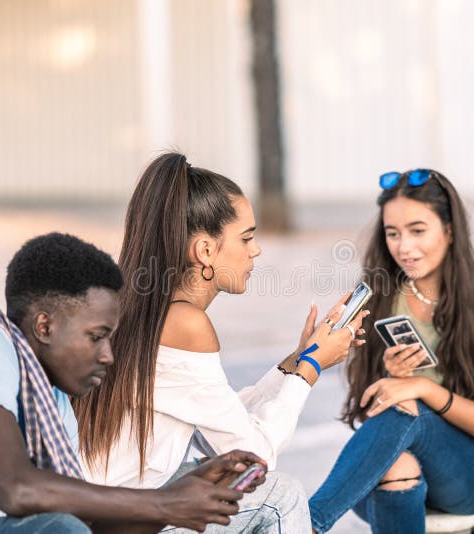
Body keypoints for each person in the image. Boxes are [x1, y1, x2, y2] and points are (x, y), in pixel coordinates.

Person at [0, 232, 266, 533]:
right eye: (96, 336)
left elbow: (89, 528)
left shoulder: (52, 406)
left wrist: (182, 497)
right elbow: (16, 489)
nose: (107, 355)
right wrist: (163, 505)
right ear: (45, 326)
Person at [73, 153, 366, 532]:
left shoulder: (144, 308)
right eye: (246, 238)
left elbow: (223, 422)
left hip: (113, 513)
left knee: (212, 474)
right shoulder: (184, 323)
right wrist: (309, 369)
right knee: (280, 495)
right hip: (122, 522)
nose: (255, 249)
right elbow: (253, 457)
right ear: (206, 250)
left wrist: (299, 358)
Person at [307, 168, 474, 533]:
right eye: (393, 233)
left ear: (450, 230)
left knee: (406, 410)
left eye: (417, 231)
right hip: (395, 461)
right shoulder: (382, 298)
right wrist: (395, 379)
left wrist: (421, 387)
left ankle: (307, 523)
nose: (404, 247)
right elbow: (370, 421)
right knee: (396, 464)